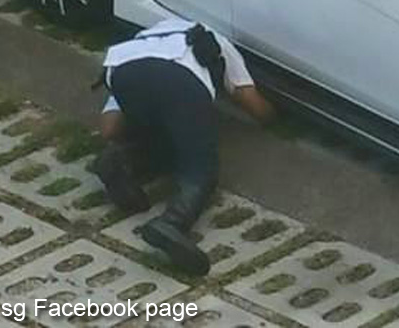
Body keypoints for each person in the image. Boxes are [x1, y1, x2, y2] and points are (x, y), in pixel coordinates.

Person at [90, 16, 275, 275]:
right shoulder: (218, 42)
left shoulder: (145, 39)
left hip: (123, 75)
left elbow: (108, 128)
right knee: (201, 169)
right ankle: (172, 223)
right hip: (181, 84)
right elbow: (250, 101)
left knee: (169, 142)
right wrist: (275, 118)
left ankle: (121, 160)